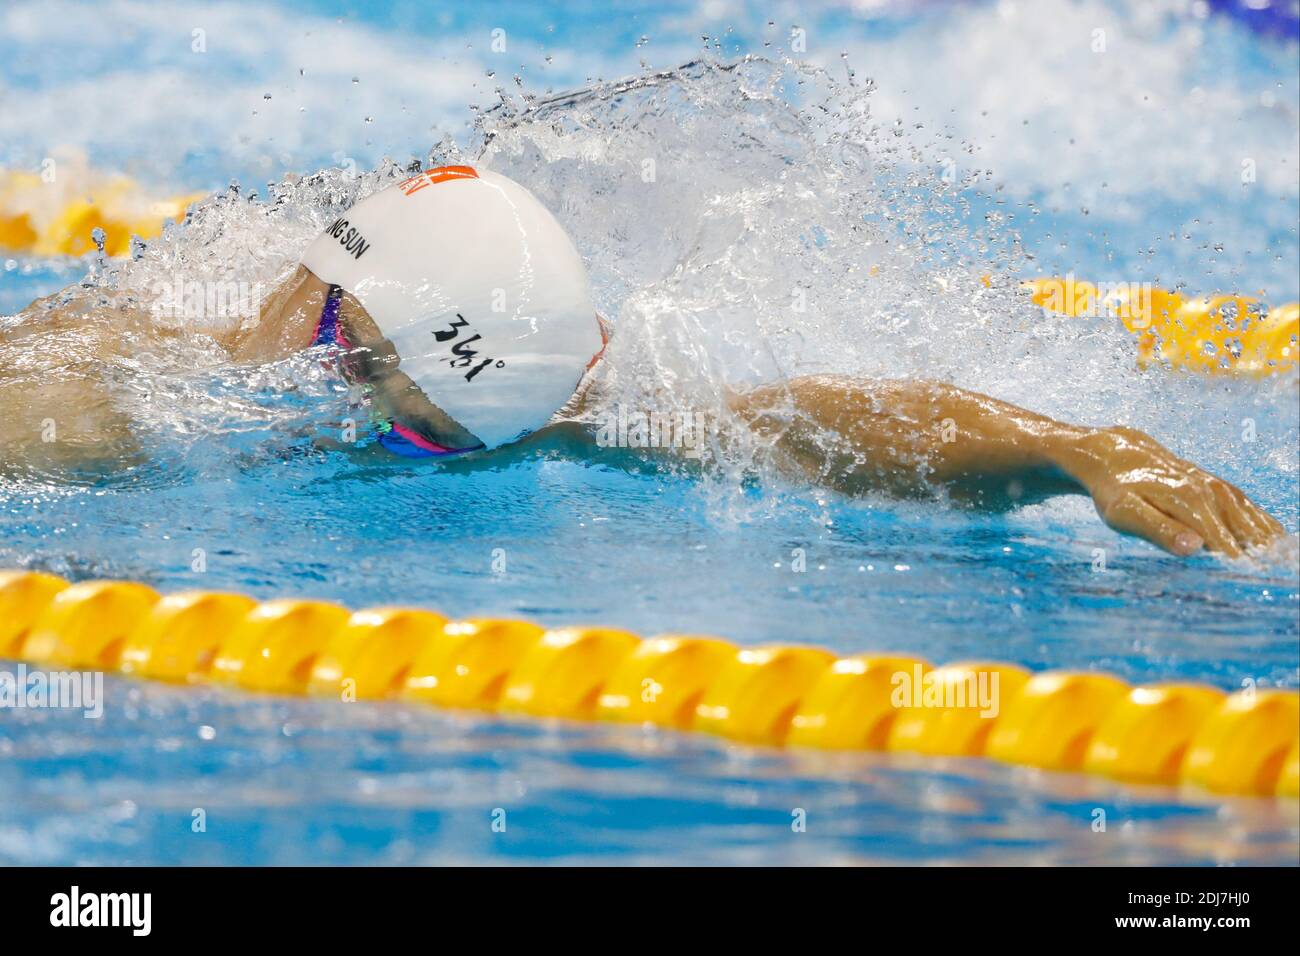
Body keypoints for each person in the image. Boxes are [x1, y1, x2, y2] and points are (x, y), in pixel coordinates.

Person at [0, 166, 1286, 558]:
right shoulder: (118, 387)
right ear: (318, 285)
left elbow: (782, 426)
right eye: (358, 373)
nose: (361, 421)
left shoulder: (475, 384)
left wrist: (1065, 449)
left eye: (430, 433)